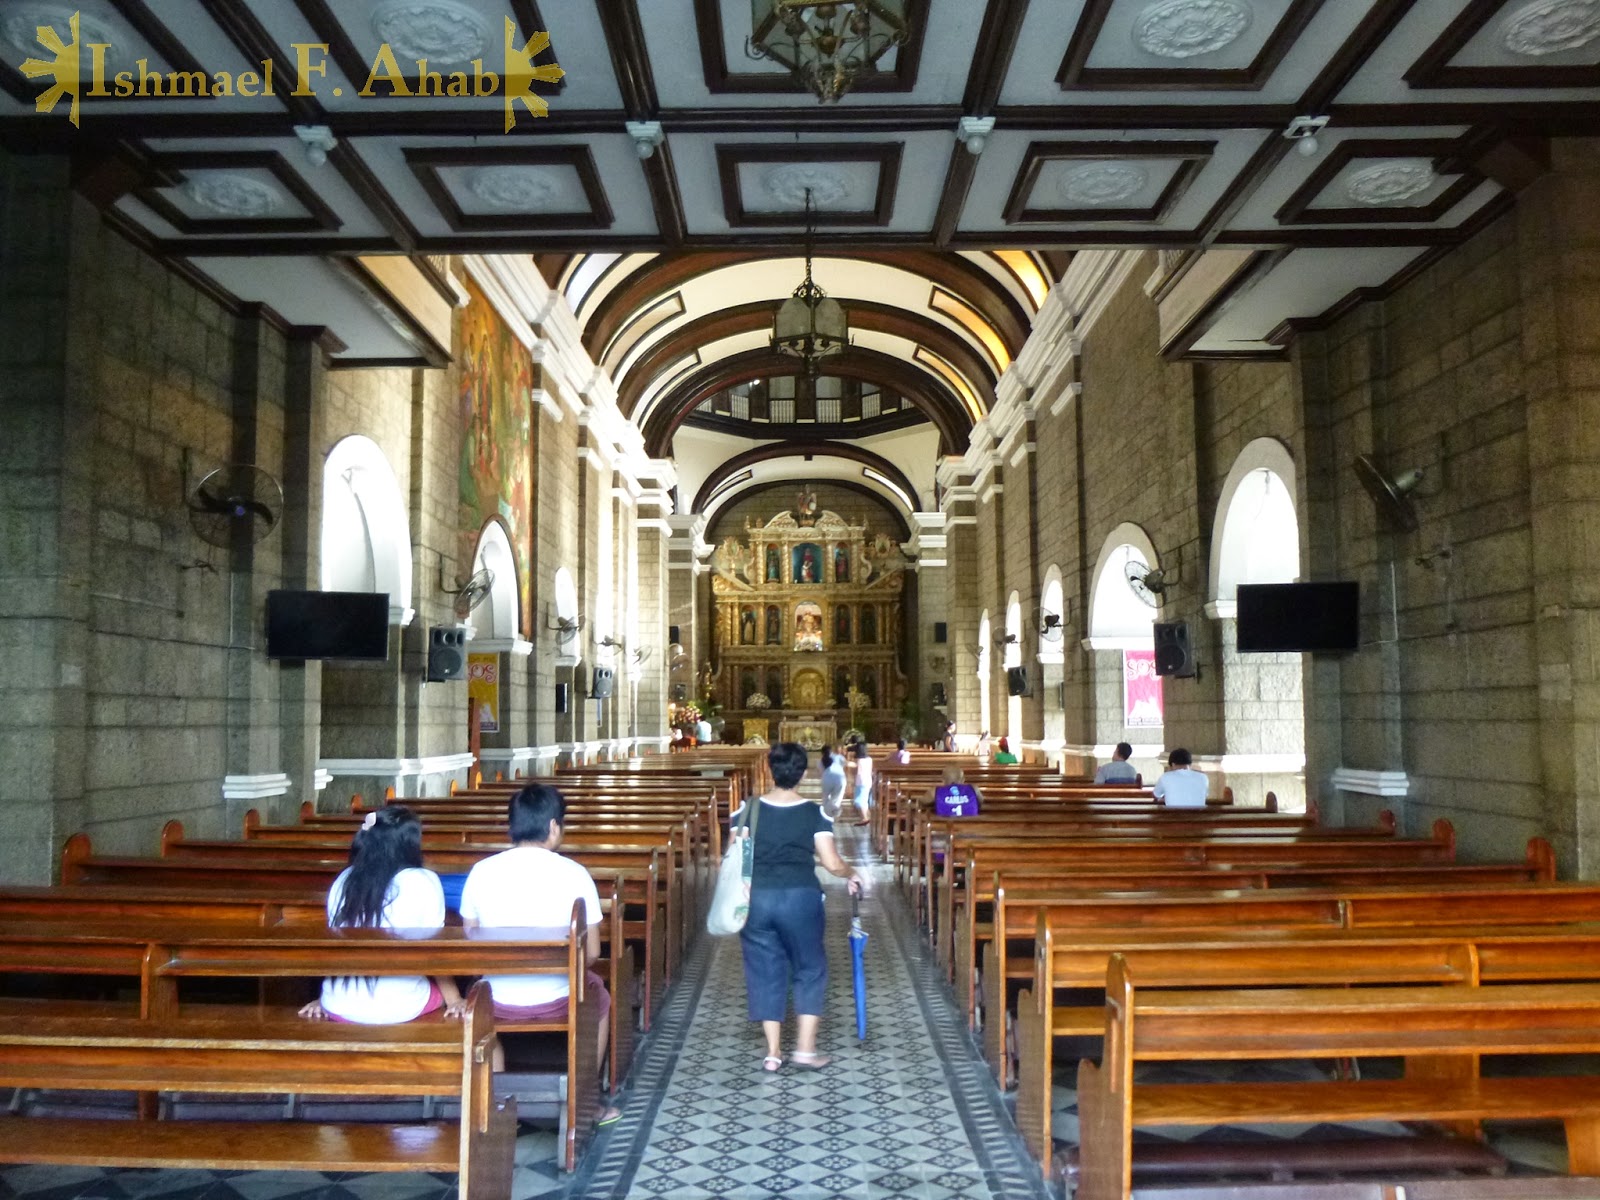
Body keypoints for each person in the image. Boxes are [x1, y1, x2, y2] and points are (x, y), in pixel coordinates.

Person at [458, 784, 619, 1123]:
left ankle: (495, 1108)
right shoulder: (574, 873)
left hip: (493, 998)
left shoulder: (480, 872)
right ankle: (586, 1100)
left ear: (512, 825)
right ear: (552, 827)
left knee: (484, 1013)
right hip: (558, 997)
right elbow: (591, 952)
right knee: (601, 998)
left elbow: (470, 941)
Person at [736, 742, 864, 1072]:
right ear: (803, 773)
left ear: (769, 770)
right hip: (800, 898)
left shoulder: (747, 810)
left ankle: (773, 1052)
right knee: (810, 968)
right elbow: (831, 862)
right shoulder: (813, 813)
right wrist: (851, 874)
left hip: (758, 899)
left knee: (764, 971)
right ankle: (805, 1050)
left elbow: (741, 859)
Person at [300, 806, 465, 1024]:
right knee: (451, 989)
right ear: (409, 844)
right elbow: (433, 951)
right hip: (399, 1007)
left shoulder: (343, 880)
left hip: (338, 1004)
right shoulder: (423, 880)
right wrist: (455, 1000)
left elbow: (341, 947)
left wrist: (326, 998)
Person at [819, 744, 848, 820]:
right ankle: (833, 813)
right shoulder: (839, 757)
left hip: (826, 779)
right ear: (831, 751)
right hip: (840, 779)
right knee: (837, 799)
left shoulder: (820, 761)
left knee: (825, 797)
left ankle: (825, 815)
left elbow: (822, 772)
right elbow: (846, 764)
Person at [850, 742, 874, 827]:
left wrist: (853, 780)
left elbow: (858, 772)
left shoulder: (859, 760)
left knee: (860, 801)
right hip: (868, 780)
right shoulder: (869, 759)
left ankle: (864, 818)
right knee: (865, 800)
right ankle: (868, 816)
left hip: (861, 782)